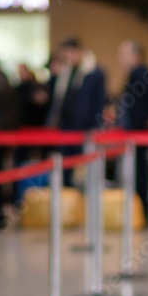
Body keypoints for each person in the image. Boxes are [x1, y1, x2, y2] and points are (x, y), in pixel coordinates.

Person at [44, 37, 107, 186]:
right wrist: (54, 75)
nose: (68, 58)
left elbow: (99, 102)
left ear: (78, 52)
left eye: (70, 53)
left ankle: (84, 204)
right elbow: (55, 100)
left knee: (84, 172)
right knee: (65, 169)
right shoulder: (64, 73)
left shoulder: (94, 73)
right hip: (66, 129)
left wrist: (95, 126)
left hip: (85, 130)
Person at [116, 41, 148, 223]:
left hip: (138, 134)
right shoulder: (137, 73)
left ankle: (141, 212)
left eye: (124, 54)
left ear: (134, 55)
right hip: (134, 133)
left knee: (139, 174)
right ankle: (138, 212)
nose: (121, 58)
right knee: (136, 172)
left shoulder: (140, 73)